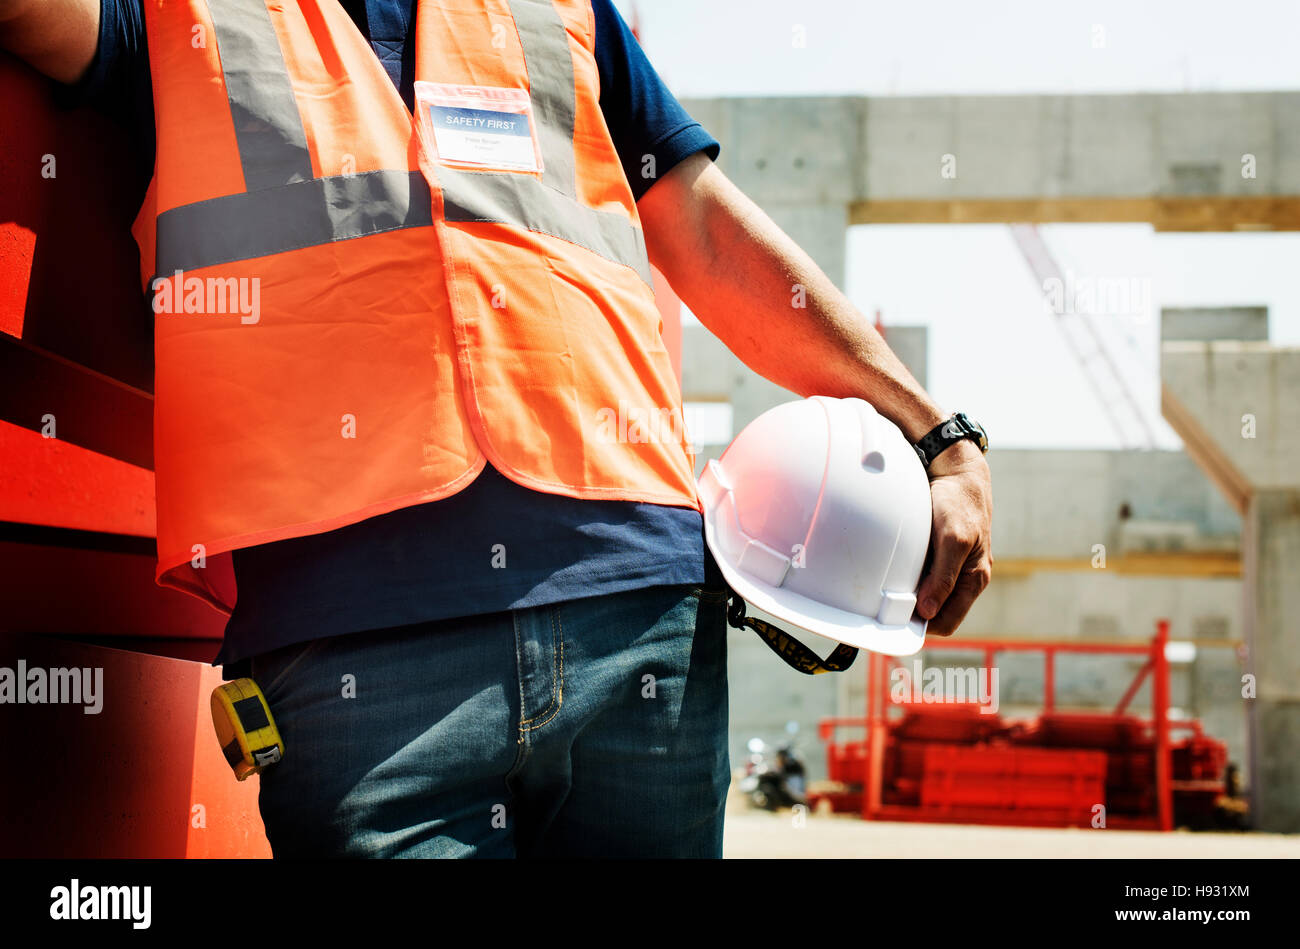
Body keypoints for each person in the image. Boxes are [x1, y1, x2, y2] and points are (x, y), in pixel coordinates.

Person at [0, 0, 993, 858]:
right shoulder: (171, 13)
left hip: (637, 607)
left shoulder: (555, 10)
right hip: (358, 652)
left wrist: (936, 433)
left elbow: (702, 234)